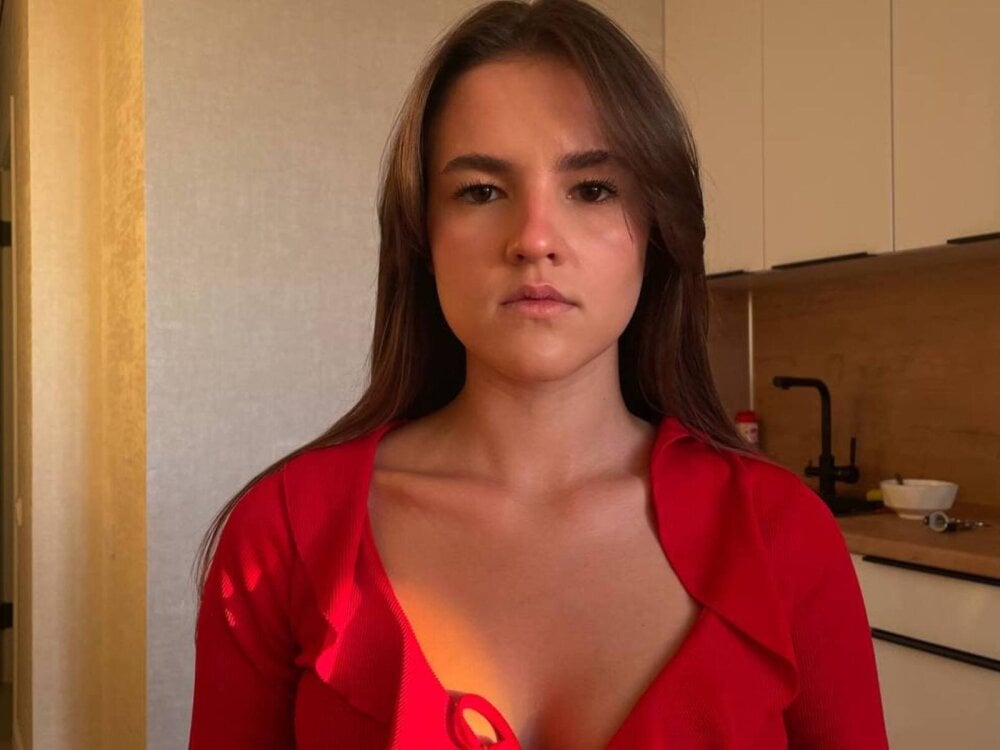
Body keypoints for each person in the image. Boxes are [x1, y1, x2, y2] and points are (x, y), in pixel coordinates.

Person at [188, 1, 890, 748]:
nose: (533, 240)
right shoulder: (282, 536)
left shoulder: (783, 534)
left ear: (657, 233)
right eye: (481, 191)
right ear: (423, 237)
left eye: (593, 189)